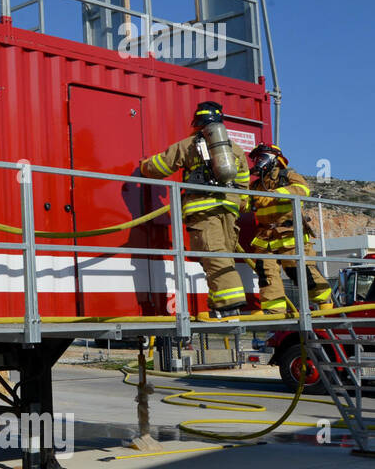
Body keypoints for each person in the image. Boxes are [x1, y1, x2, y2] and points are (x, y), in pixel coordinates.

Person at [139, 100, 251, 319]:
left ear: (198, 123)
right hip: (229, 213)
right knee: (222, 255)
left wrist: (144, 165)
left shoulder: (190, 145)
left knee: (213, 255)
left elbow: (161, 166)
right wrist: (238, 205)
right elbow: (244, 184)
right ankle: (219, 305)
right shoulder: (235, 149)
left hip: (204, 212)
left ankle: (229, 304)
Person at [246, 143, 333, 312]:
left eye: (262, 158)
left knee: (299, 271)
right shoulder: (256, 186)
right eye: (256, 159)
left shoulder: (288, 176)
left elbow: (303, 190)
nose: (258, 162)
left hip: (290, 235)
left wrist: (275, 195)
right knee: (266, 275)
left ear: (275, 160)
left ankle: (325, 306)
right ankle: (274, 314)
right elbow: (245, 204)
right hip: (266, 238)